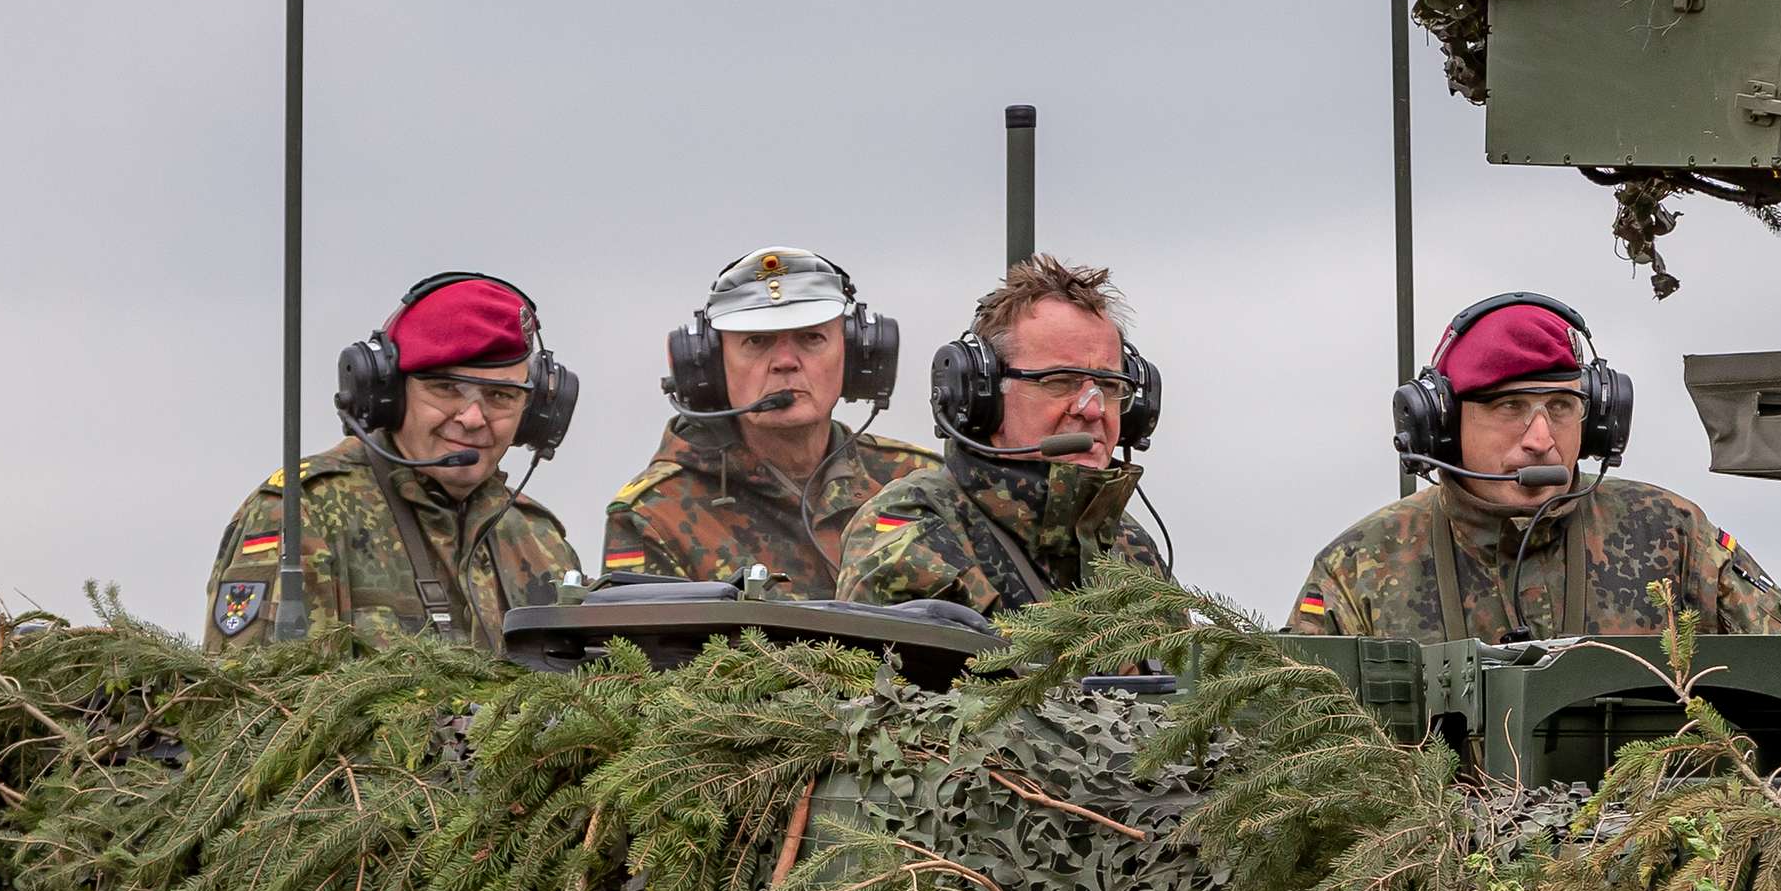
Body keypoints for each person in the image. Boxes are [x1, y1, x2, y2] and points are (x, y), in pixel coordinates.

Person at [1286, 292, 1781, 642]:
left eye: (1561, 407)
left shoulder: (1669, 532)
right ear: (1444, 423)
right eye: (1510, 407)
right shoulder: (1358, 567)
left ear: (1597, 421)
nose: (1541, 439)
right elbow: (1287, 750)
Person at [203, 272, 581, 653]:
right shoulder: (303, 514)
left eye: (500, 396)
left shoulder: (540, 540)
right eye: (446, 388)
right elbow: (256, 687)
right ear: (390, 394)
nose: (472, 418)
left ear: (533, 413)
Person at [835, 255, 1166, 613]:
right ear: (985, 394)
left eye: (1110, 385)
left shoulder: (1130, 544)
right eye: (1060, 381)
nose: (1093, 409)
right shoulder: (912, 523)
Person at [603, 247, 936, 590]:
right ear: (712, 364)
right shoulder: (654, 515)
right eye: (757, 341)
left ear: (854, 354)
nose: (785, 362)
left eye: (811, 338)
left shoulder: (917, 483)